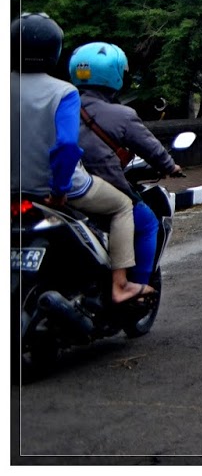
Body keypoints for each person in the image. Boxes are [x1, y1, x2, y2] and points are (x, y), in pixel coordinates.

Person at [10, 15, 148, 303]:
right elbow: (67, 146)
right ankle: (120, 284)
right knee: (123, 205)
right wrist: (59, 192)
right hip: (54, 189)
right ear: (54, 52)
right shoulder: (63, 91)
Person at [69, 41, 185, 293]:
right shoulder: (122, 114)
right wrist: (170, 166)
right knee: (146, 222)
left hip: (52, 186)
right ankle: (137, 287)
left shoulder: (59, 106)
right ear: (113, 75)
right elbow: (151, 148)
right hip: (97, 186)